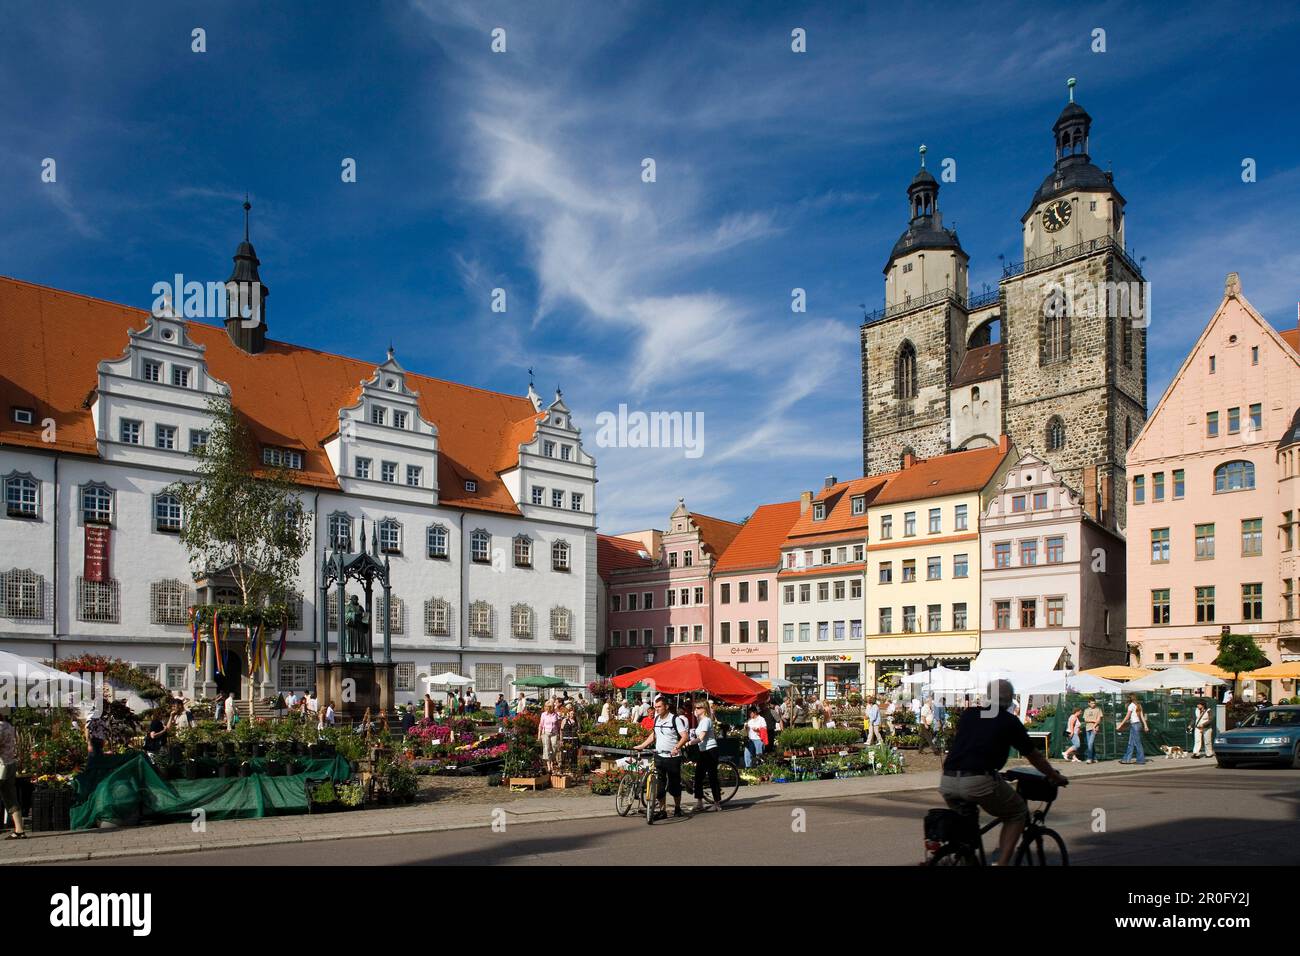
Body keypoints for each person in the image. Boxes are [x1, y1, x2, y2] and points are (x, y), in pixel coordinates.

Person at [940, 680, 1068, 866]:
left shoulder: (969, 714)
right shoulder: (1009, 722)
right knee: (1017, 813)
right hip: (978, 781)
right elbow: (1034, 757)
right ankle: (1002, 863)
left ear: (987, 697)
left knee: (967, 837)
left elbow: (971, 745)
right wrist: (1054, 776)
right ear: (1009, 701)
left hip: (948, 780)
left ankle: (966, 856)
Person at [633, 696, 690, 820]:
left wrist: (677, 747)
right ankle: (663, 810)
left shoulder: (675, 719)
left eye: (659, 707)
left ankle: (677, 808)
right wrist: (642, 745)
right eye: (656, 707)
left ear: (666, 707)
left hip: (672, 757)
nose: (657, 709)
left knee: (674, 786)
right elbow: (654, 735)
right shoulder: (657, 718)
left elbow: (685, 736)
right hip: (659, 756)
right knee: (659, 786)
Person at [690, 699, 722, 812]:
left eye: (698, 708)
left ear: (704, 709)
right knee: (698, 776)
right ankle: (699, 802)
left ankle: (717, 803)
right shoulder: (700, 720)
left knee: (712, 776)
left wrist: (689, 743)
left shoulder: (707, 720)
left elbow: (701, 737)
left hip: (711, 750)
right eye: (695, 708)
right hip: (703, 751)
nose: (695, 710)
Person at [0, 712, 26, 839]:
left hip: (1, 765)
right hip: (10, 764)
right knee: (10, 796)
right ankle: (19, 830)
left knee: (9, 796)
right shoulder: (8, 726)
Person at [1118, 694, 1148, 764]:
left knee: (1137, 743)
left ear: (1129, 699)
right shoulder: (1138, 705)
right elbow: (1142, 717)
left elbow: (1127, 717)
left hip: (1134, 725)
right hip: (1138, 725)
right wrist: (1145, 726)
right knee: (1130, 743)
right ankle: (1126, 759)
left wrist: (1120, 725)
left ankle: (1141, 760)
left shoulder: (1131, 705)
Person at [537, 700, 562, 773]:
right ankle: (549, 765)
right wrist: (539, 736)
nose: (547, 709)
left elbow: (558, 725)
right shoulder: (543, 714)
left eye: (548, 707)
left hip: (554, 733)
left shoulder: (555, 714)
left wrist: (560, 736)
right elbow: (540, 725)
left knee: (554, 747)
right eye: (546, 707)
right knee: (546, 748)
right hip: (545, 733)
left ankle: (552, 761)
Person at [1082, 698, 1103, 763]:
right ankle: (1094, 757)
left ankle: (1089, 758)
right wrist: (1092, 720)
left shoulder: (1098, 709)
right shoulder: (1086, 710)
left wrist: (1094, 726)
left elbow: (1099, 720)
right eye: (1092, 703)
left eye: (1094, 703)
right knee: (1090, 744)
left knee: (1090, 743)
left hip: (1094, 729)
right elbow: (1085, 720)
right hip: (1087, 728)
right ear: (1089, 703)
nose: (1093, 704)